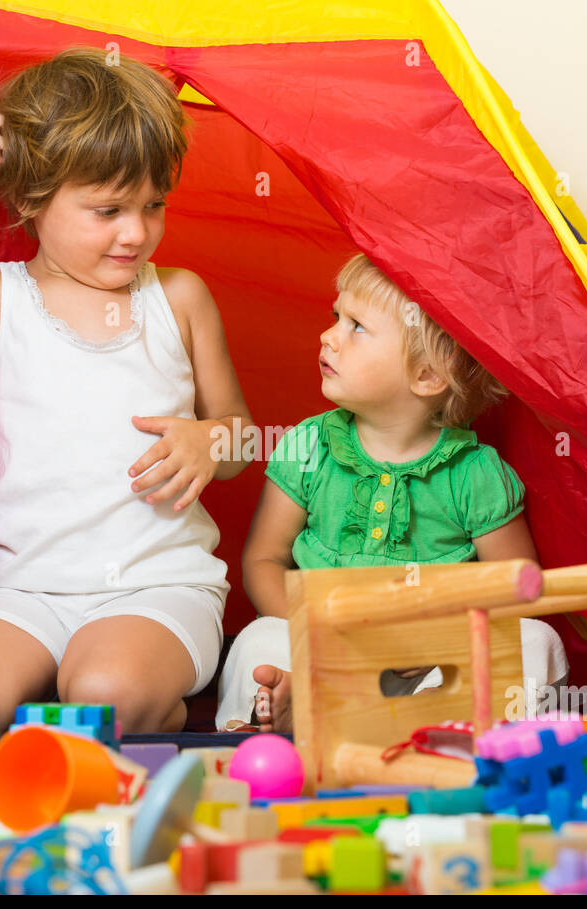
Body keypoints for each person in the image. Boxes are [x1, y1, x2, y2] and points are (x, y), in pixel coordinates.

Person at [0, 47, 251, 746]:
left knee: (107, 692)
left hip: (159, 589)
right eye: (107, 210)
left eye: (152, 205)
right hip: (27, 594)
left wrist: (210, 441)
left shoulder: (180, 297)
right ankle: (59, 699)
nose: (136, 231)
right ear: (29, 200)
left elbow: (243, 436)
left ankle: (136, 702)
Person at [216, 253, 567, 732]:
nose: (329, 335)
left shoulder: (475, 472)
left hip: (434, 664)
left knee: (535, 641)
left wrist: (432, 650)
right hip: (324, 649)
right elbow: (264, 561)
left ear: (427, 376)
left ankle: (455, 735)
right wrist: (314, 631)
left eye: (356, 326)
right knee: (257, 641)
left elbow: (519, 591)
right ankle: (270, 730)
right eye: (335, 317)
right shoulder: (308, 445)